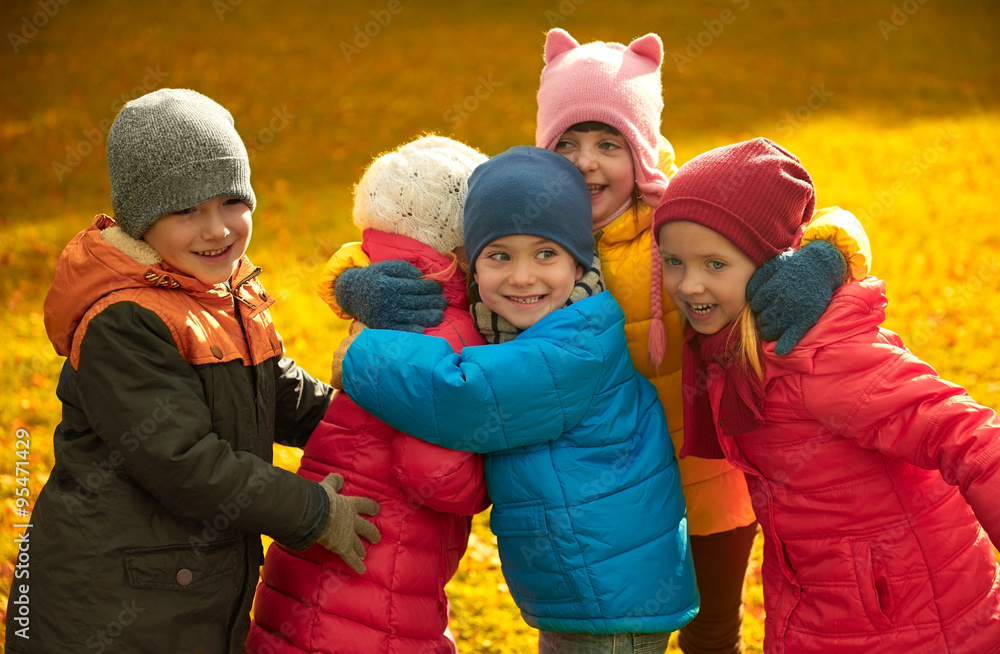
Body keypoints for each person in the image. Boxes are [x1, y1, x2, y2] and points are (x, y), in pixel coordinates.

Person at [4, 88, 380, 653]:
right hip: (110, 605)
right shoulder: (125, 320)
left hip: (179, 586)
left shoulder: (213, 291)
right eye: (185, 210)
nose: (217, 230)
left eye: (231, 201)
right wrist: (312, 511)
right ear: (140, 222)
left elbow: (272, 387)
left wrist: (367, 418)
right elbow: (182, 461)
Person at [533, 28, 871, 654]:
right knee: (617, 630)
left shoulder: (684, 209)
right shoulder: (529, 234)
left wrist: (824, 259)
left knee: (711, 627)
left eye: (609, 142)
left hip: (708, 472)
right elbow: (426, 239)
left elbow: (816, 215)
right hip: (605, 488)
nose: (586, 161)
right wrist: (366, 275)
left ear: (641, 147)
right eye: (567, 142)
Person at [335, 145, 699, 654]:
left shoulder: (576, 345)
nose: (522, 276)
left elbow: (465, 395)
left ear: (579, 264)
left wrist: (360, 354)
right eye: (499, 255)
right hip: (591, 590)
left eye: (546, 253)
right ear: (471, 266)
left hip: (612, 602)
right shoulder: (539, 327)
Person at [653, 136, 1000, 653]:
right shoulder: (728, 351)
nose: (689, 285)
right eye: (674, 262)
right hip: (817, 606)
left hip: (915, 619)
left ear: (771, 263)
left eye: (715, 265)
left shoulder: (823, 357)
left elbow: (969, 437)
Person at [246, 135, 492, 654]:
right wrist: (496, 473)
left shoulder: (383, 300)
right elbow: (436, 471)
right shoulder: (449, 331)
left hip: (313, 564)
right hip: (381, 566)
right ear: (459, 244)